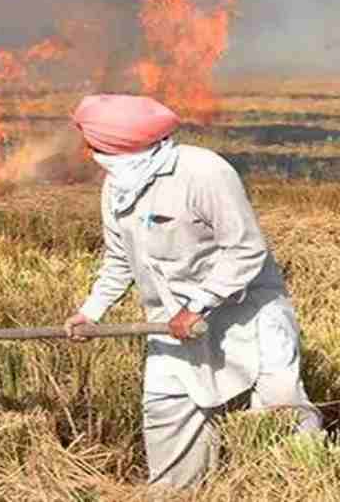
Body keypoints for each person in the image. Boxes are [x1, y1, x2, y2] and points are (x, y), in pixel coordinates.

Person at [63, 94, 323, 490]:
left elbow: (245, 249)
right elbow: (119, 259)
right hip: (170, 322)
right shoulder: (118, 187)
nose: (89, 154)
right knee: (167, 409)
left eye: (95, 146)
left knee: (280, 408)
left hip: (246, 313)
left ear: (123, 145)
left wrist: (199, 304)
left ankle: (298, 488)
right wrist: (91, 311)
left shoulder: (203, 172)